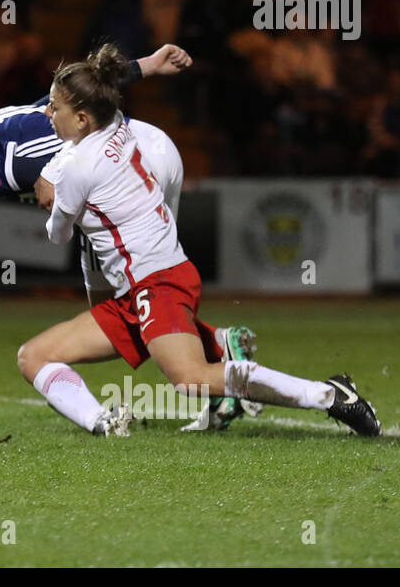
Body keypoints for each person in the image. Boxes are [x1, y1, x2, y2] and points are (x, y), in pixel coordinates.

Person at [0, 44, 259, 429]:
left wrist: (51, 174)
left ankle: (214, 357)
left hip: (131, 161)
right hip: (149, 151)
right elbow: (61, 99)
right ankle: (219, 357)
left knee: (125, 307)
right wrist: (145, 66)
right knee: (132, 303)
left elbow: (56, 135)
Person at [23, 44, 379, 437]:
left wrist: (53, 201)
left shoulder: (76, 167)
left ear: (83, 118)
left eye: (55, 107)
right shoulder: (118, 126)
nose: (48, 114)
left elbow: (58, 236)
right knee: (34, 355)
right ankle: (104, 421)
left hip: (155, 283)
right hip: (140, 289)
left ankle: (328, 395)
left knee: (190, 378)